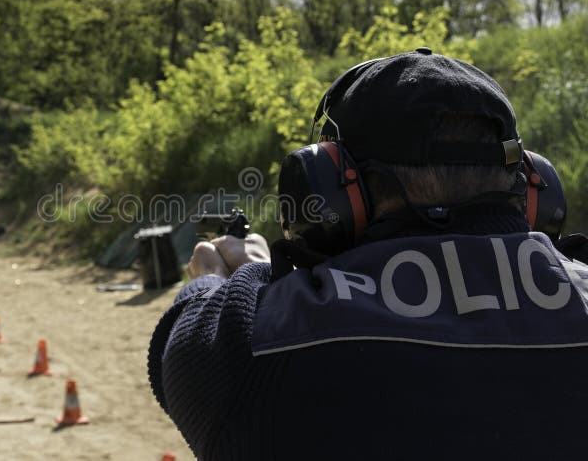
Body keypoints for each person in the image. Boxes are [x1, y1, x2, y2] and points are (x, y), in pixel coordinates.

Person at [148, 48, 588, 460]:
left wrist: (226, 278)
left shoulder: (263, 344)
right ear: (534, 187)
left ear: (331, 185)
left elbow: (183, 350)